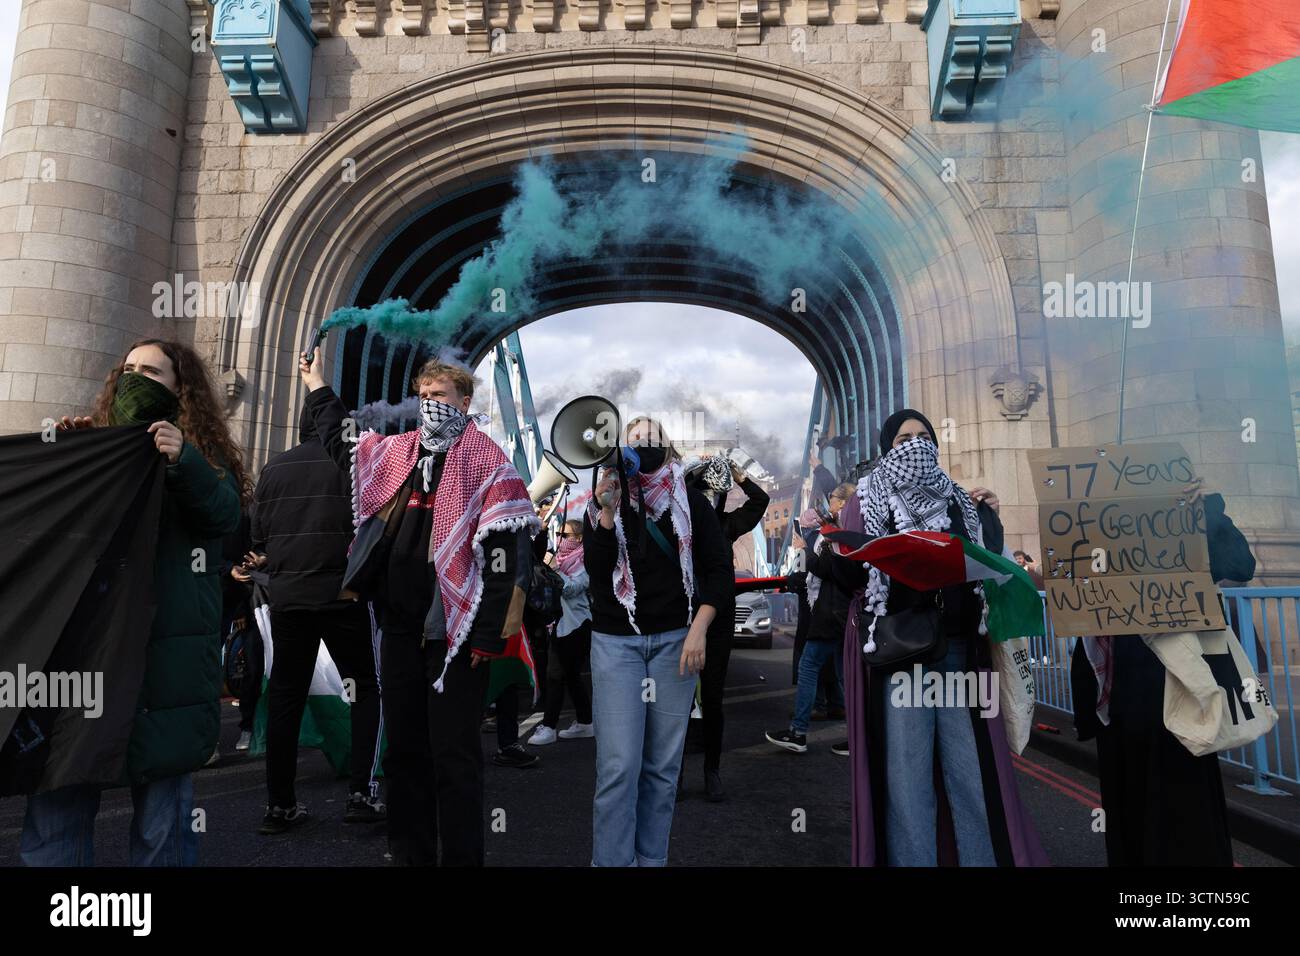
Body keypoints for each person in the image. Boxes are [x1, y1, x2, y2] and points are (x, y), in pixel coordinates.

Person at [300, 349, 538, 867]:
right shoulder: (399, 453)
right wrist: (318, 384)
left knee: (454, 756)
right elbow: (345, 445)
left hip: (455, 637)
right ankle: (410, 855)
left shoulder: (490, 463)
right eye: (424, 396)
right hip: (399, 629)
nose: (430, 405)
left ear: (465, 401)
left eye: (440, 396)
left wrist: (488, 637)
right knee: (404, 752)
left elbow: (506, 558)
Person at [21, 339, 246, 866]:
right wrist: (69, 456)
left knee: (162, 821)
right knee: (60, 798)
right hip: (85, 655)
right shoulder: (92, 444)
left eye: (152, 371)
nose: (136, 378)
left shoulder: (201, 458)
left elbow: (224, 517)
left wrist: (182, 460)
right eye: (128, 369)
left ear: (178, 387)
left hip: (164, 660)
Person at [843, 408, 1047, 866]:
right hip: (903, 656)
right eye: (902, 439)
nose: (914, 444)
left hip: (959, 652)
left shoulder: (960, 500)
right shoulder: (866, 499)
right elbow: (849, 575)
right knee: (909, 781)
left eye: (923, 436)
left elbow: (990, 566)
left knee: (972, 777)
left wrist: (988, 517)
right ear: (886, 448)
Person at [1070, 477, 1255, 866]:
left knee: (1185, 809)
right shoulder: (1095, 544)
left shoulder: (1187, 532)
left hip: (1178, 689)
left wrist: (1207, 509)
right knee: (1128, 809)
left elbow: (1241, 565)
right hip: (1120, 698)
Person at [584, 417, 731, 866]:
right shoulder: (601, 502)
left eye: (652, 438)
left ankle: (650, 861)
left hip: (674, 644)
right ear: (619, 450)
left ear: (666, 449)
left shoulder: (691, 501)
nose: (643, 445)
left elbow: (719, 571)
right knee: (618, 768)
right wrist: (607, 509)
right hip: (616, 644)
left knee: (663, 771)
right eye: (634, 438)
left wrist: (699, 628)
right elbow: (596, 569)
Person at [241, 401, 386, 833]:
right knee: (362, 687)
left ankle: (279, 804)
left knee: (287, 693)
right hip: (343, 595)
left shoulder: (274, 468)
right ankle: (361, 793)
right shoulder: (357, 465)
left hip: (288, 596)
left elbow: (259, 537)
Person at [686, 457, 769, 801]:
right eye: (703, 491)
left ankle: (712, 770)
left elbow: (760, 501)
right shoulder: (679, 525)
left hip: (718, 617)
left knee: (714, 698)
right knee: (675, 700)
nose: (708, 497)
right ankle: (672, 772)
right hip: (683, 615)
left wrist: (739, 476)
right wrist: (693, 470)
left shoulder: (727, 525)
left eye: (713, 493)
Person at [766, 482, 856, 754]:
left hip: (830, 612)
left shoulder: (838, 534)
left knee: (809, 666)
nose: (829, 505)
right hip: (841, 613)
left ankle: (798, 732)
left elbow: (826, 569)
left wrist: (803, 548)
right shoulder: (849, 530)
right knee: (844, 674)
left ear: (841, 503)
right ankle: (855, 738)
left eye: (833, 501)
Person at [529, 519, 594, 745]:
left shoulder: (586, 560)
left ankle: (549, 726)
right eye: (560, 535)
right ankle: (586, 722)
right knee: (571, 677)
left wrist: (555, 568)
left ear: (579, 539)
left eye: (566, 536)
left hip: (577, 625)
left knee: (555, 675)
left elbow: (571, 589)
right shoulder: (564, 559)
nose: (561, 540)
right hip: (562, 624)